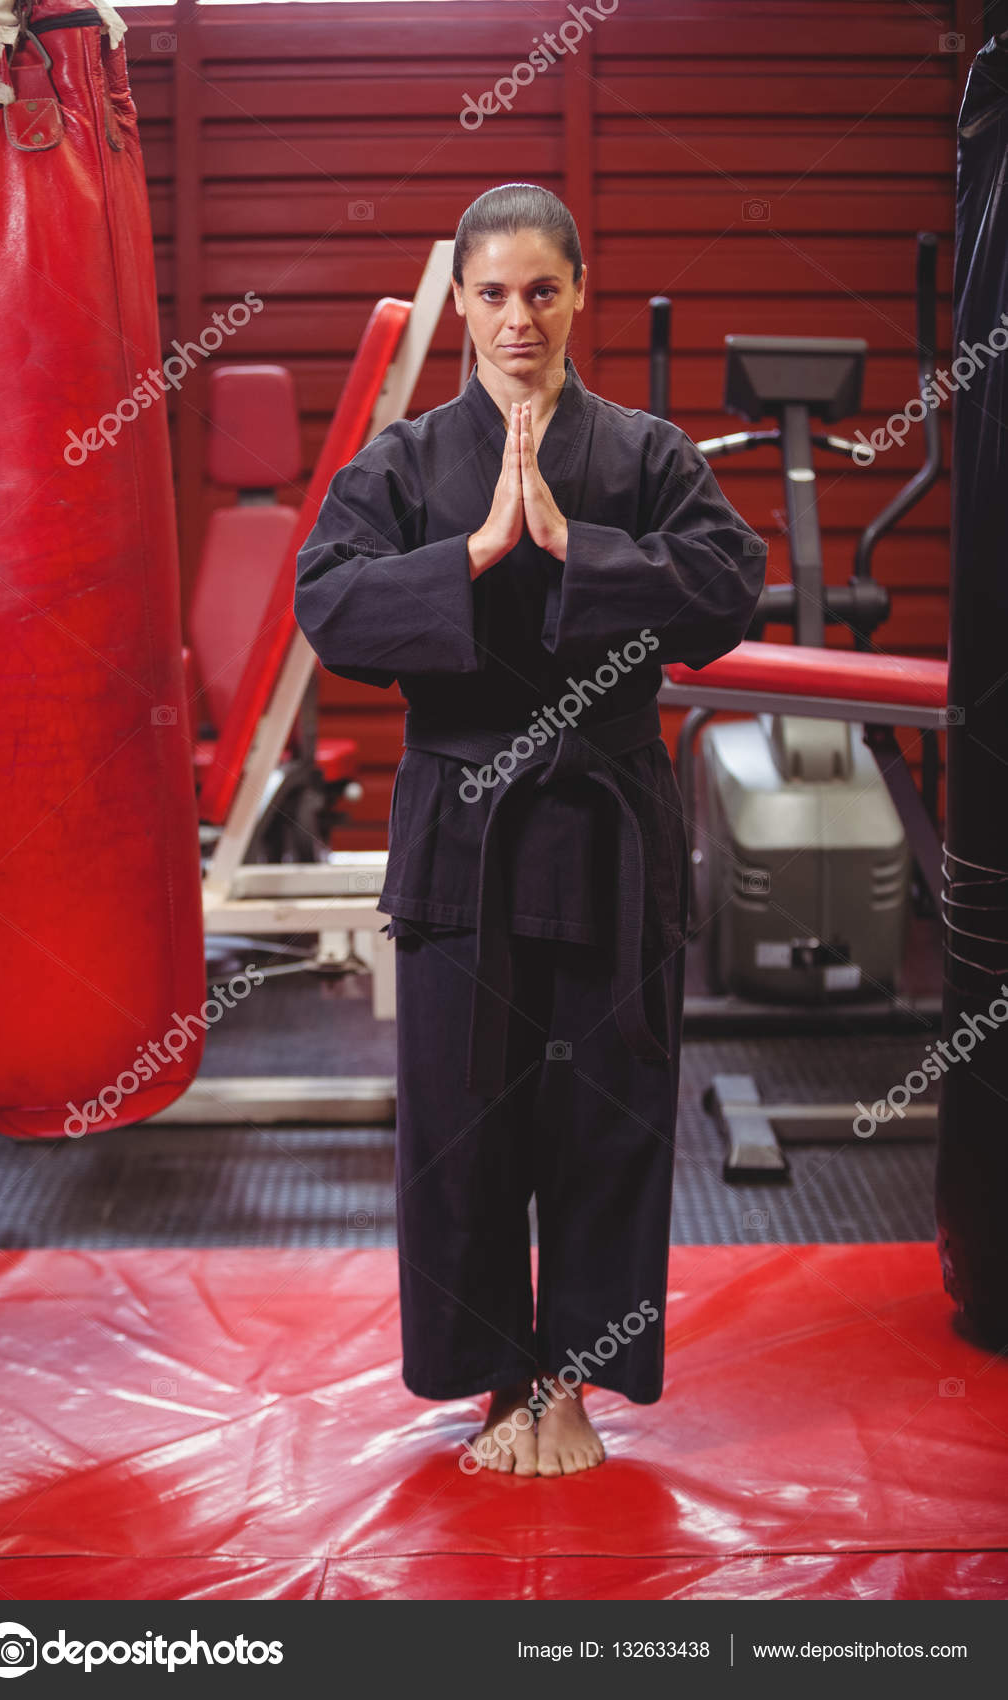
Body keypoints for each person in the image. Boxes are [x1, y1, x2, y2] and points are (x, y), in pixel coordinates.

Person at [296, 183, 766, 1478]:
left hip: (605, 824)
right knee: (465, 1117)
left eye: (542, 291)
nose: (518, 318)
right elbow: (327, 605)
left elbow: (732, 583)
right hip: (466, 830)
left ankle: (571, 1383)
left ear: (579, 294)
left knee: (606, 1114)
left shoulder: (648, 455)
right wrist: (475, 556)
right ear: (460, 299)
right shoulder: (401, 465)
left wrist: (580, 544)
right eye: (493, 292)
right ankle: (500, 1380)